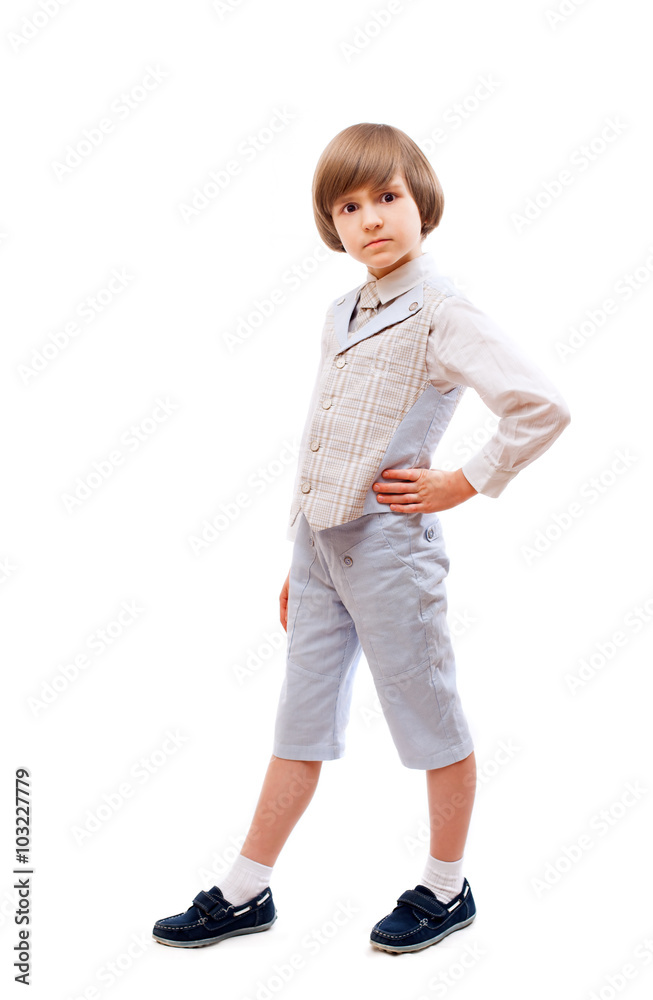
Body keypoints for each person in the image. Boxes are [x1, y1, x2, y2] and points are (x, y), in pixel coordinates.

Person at [152, 122, 571, 954]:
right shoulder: (340, 310)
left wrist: (461, 481)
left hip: (386, 551)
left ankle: (445, 887)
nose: (370, 218)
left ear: (421, 206)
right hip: (317, 553)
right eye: (349, 205)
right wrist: (295, 555)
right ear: (332, 225)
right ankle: (245, 891)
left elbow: (540, 405)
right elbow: (323, 431)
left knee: (428, 718)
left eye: (387, 198)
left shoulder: (442, 312)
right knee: (298, 721)